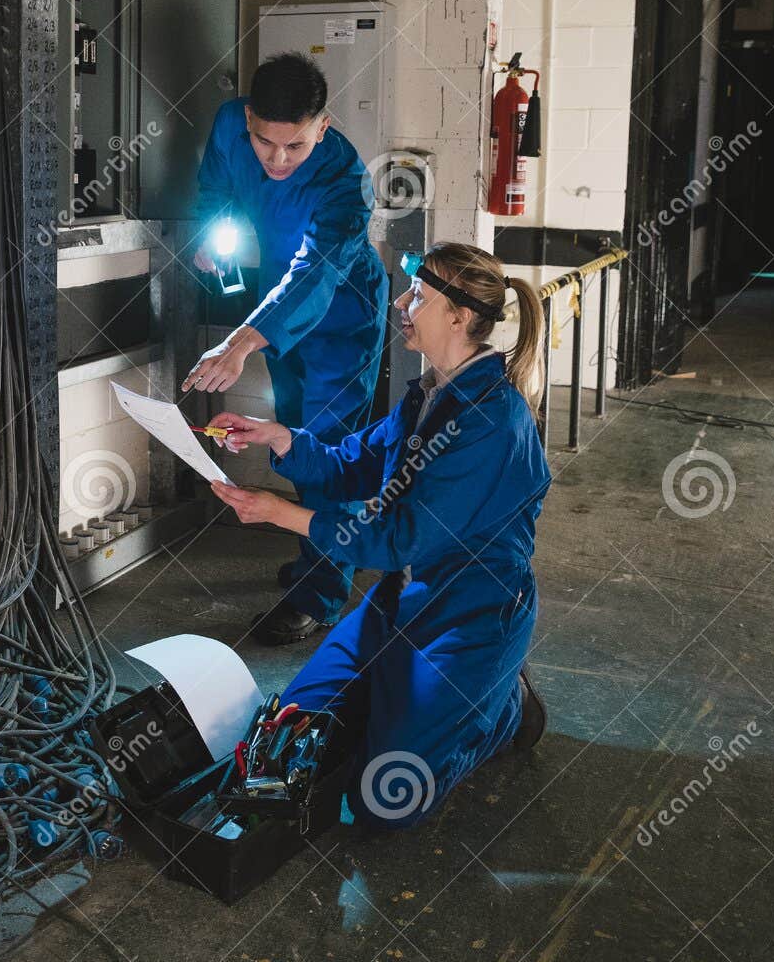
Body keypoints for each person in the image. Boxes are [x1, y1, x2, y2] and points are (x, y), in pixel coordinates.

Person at [206, 242, 552, 827]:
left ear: (459, 317)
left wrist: (280, 513)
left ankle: (505, 709)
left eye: (418, 294)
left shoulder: (494, 419)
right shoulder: (427, 396)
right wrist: (278, 437)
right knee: (292, 732)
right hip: (402, 599)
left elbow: (397, 538)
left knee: (384, 800)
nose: (401, 302)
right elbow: (351, 464)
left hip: (473, 614)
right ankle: (404, 702)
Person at [182, 53, 389, 646]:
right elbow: (215, 189)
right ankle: (319, 553)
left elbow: (314, 274)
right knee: (292, 435)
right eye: (264, 143)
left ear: (321, 128)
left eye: (294, 148)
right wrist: (209, 237)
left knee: (327, 447)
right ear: (247, 118)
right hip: (274, 304)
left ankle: (321, 597)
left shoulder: (347, 182)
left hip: (339, 315)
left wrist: (240, 342)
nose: (277, 160)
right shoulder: (228, 126)